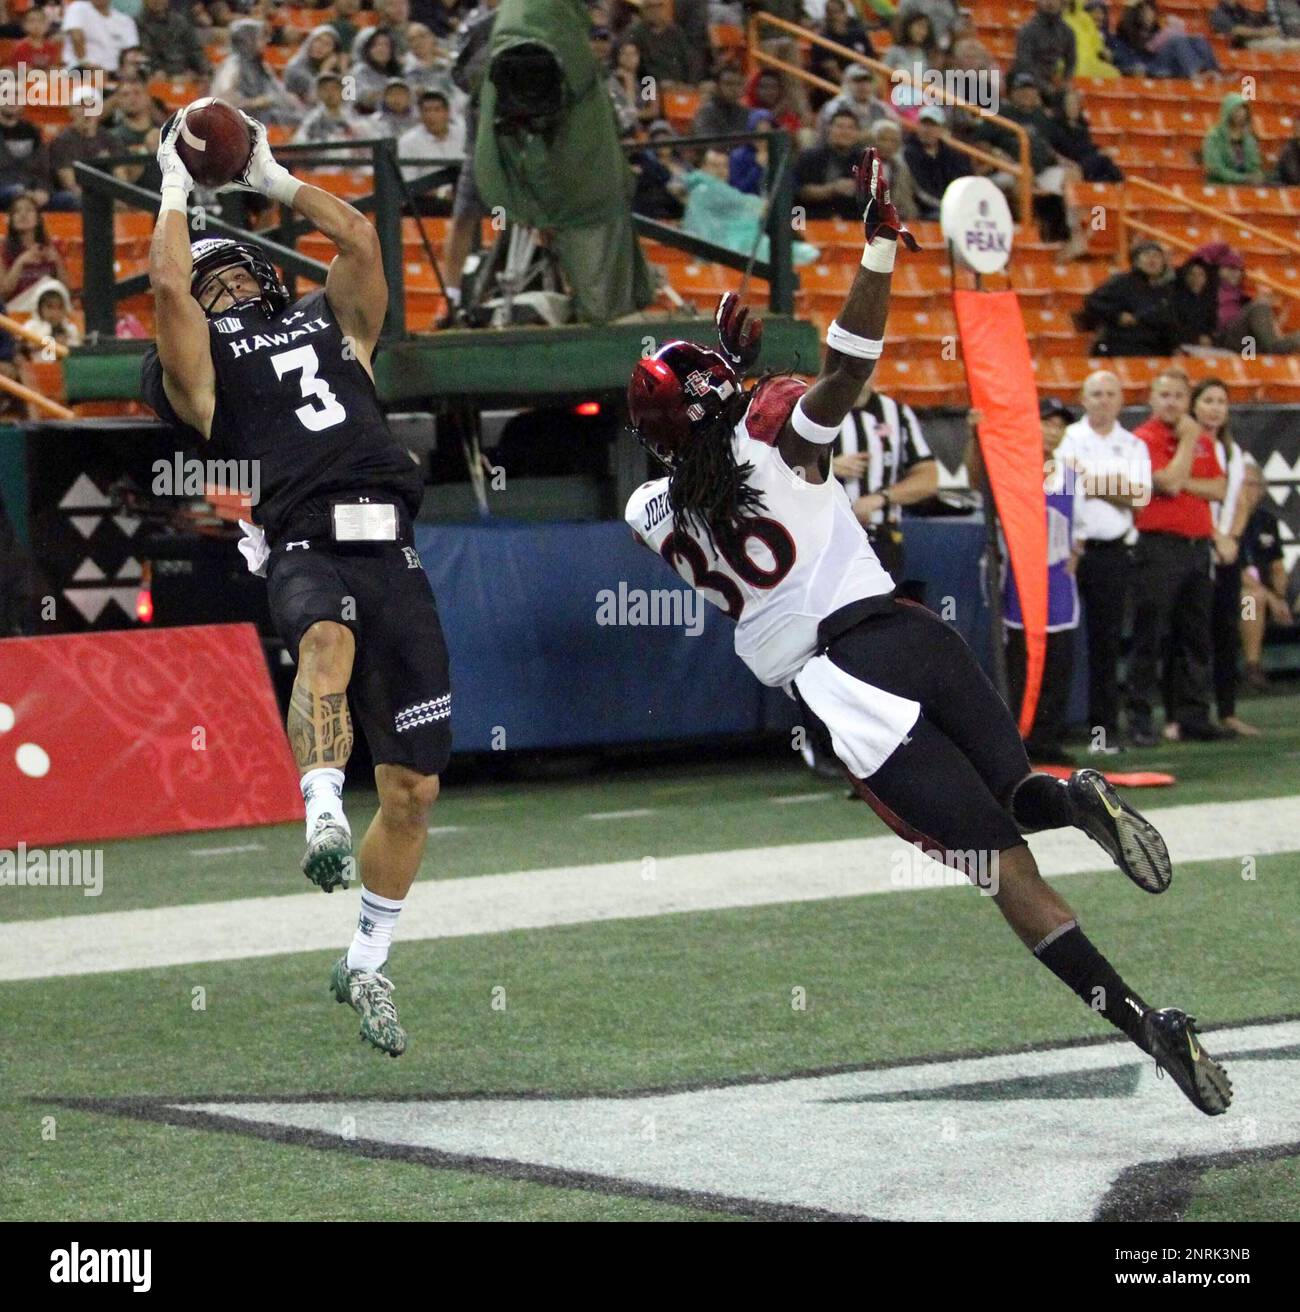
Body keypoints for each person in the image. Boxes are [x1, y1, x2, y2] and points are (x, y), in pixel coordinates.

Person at [622, 147, 1231, 1117]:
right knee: (1017, 787)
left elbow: (704, 456)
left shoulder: (649, 509)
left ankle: (1146, 1023)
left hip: (843, 688)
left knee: (1003, 872)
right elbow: (843, 370)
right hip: (908, 630)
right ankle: (1074, 796)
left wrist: (723, 382)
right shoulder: (771, 432)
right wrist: (872, 257)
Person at [141, 110, 452, 1058]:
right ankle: (319, 808)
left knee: (413, 793)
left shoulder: (333, 324)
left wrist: (274, 181)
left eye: (234, 263)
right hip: (305, 537)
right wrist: (173, 190)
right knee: (324, 646)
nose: (219, 272)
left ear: (271, 271)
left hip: (392, 546)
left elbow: (357, 237)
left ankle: (366, 959)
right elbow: (165, 281)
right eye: (209, 272)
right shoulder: (199, 377)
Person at [971, 398, 1084, 765]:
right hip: (1019, 581)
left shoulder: (1069, 473)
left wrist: (1077, 551)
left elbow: (1078, 524)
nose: (1052, 430)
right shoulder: (1010, 469)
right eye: (1045, 422)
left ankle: (1047, 739)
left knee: (1057, 660)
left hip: (1057, 583)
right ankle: (1015, 739)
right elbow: (977, 481)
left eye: (1058, 424)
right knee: (1018, 661)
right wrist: (975, 435)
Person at [1127, 371, 1229, 746]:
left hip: (1197, 547)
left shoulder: (1204, 441)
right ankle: (1139, 717)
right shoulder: (1142, 438)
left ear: (1187, 401)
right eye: (1165, 395)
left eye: (1178, 396)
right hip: (1159, 546)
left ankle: (1194, 716)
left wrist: (1179, 477)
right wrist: (1187, 441)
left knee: (1196, 635)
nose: (1171, 402)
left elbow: (1218, 488)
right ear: (1152, 400)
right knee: (1149, 635)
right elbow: (1166, 483)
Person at [1058, 370, 1151, 754]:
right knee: (1059, 641)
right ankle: (1049, 729)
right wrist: (1114, 487)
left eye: (1111, 393)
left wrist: (1091, 482)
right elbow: (1062, 486)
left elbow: (1140, 496)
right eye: (1095, 393)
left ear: (1121, 400)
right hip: (1066, 552)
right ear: (1083, 398)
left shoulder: (1132, 444)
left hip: (1111, 552)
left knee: (1106, 643)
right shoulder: (1067, 439)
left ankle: (1104, 731)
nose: (1103, 400)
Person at [1180, 379, 1258, 738]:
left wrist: (1232, 538)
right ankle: (1179, 714)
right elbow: (1184, 491)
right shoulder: (1185, 446)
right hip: (1194, 545)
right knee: (1189, 631)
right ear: (1194, 406)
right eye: (1207, 400)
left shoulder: (1234, 452)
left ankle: (1227, 711)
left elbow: (1239, 500)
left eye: (1220, 402)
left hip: (1227, 549)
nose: (1214, 408)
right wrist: (1214, 535)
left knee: (1227, 628)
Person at [832, 379, 937, 584]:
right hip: (828, 539)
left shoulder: (896, 413)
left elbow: (928, 479)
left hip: (881, 540)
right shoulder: (814, 409)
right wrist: (828, 467)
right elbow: (787, 474)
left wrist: (880, 498)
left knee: (879, 611)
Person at [1239, 464, 1294, 694]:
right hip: (1233, 592)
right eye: (1245, 484)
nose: (1250, 490)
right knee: (1252, 599)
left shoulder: (1266, 521)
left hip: (1269, 592)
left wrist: (1281, 596)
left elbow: (1277, 566)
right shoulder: (1225, 518)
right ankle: (1252, 666)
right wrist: (1271, 597)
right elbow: (1235, 569)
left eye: (1255, 485)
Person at [1195, 241, 1300, 355]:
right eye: (1230, 268)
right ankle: (1279, 348)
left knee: (1261, 310)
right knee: (1260, 306)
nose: (1236, 273)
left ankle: (1277, 352)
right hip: (1220, 340)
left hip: (1246, 346)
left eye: (1239, 270)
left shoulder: (1241, 294)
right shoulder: (1206, 288)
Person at [1083, 241, 1178, 357]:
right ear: (1136, 260)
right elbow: (1092, 302)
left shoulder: (1166, 290)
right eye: (1147, 255)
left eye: (1156, 256)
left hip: (1155, 350)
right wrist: (1118, 315)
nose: (1152, 260)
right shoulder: (1121, 282)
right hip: (1122, 345)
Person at [210, 19, 301, 126]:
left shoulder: (261, 65)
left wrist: (289, 100)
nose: (267, 41)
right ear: (247, 40)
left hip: (260, 118)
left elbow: (278, 91)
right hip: (234, 123)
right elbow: (221, 101)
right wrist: (255, 102)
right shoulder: (232, 66)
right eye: (261, 37)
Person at [1, 193, 72, 314]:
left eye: (29, 210)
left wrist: (57, 261)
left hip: (50, 310)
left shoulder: (51, 247)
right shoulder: (3, 248)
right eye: (17, 211)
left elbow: (66, 290)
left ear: (38, 218)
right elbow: (3, 293)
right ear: (10, 219)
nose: (23, 215)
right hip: (17, 310)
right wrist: (21, 261)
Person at [1114, 1, 1222, 78]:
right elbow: (1126, 56)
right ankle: (1194, 74)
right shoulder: (1125, 31)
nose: (1149, 15)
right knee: (1176, 41)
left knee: (1198, 38)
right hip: (1150, 66)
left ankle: (1214, 72)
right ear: (1136, 14)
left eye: (1151, 11)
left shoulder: (1157, 29)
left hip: (1171, 64)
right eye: (1145, 12)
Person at [399, 90, 466, 210]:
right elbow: (408, 184)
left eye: (437, 110)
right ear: (420, 114)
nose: (431, 116)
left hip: (464, 194)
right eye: (426, 111)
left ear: (447, 112)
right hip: (428, 200)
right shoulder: (408, 142)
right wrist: (442, 193)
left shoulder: (464, 135)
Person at [795, 108, 865, 221]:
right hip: (813, 222)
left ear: (857, 133)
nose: (845, 132)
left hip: (853, 225)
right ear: (829, 129)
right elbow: (800, 192)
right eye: (839, 126)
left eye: (850, 128)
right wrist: (833, 189)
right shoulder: (809, 157)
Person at [903, 105, 970, 218]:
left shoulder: (951, 154)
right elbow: (918, 190)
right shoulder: (908, 153)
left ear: (942, 129)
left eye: (933, 125)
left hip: (949, 206)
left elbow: (962, 180)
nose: (927, 130)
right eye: (924, 124)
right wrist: (944, 206)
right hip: (923, 210)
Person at [1013, 0, 1077, 102]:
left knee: (1072, 101)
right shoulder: (1027, 30)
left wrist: (1066, 81)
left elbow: (1071, 60)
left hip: (1050, 83)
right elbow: (1024, 65)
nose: (1050, 3)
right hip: (1027, 82)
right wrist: (1045, 87)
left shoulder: (1067, 32)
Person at [627, 0, 697, 87]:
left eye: (659, 6)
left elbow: (689, 61)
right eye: (650, 7)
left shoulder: (676, 33)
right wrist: (658, 83)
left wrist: (687, 84)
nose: (655, 11)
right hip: (649, 87)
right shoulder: (637, 34)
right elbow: (638, 69)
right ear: (644, 10)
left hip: (678, 86)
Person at [816, 64, 893, 142]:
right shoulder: (835, 106)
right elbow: (828, 136)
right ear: (847, 83)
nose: (863, 86)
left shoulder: (881, 107)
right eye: (857, 81)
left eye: (867, 81)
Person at [137, 0, 211, 80]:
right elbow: (147, 54)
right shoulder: (140, 23)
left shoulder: (181, 21)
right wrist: (170, 74)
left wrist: (204, 71)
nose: (158, 1)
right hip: (160, 73)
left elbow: (195, 50)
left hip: (187, 72)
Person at [1202, 93, 1265, 186]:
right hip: (1221, 186)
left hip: (1247, 186)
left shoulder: (1249, 138)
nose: (1241, 113)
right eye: (1237, 109)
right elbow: (1215, 169)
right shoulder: (1214, 136)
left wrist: (1257, 176)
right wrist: (1243, 179)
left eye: (1244, 109)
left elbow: (1255, 165)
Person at [61, 0, 139, 73]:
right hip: (81, 70)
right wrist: (85, 63)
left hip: (113, 73)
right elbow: (76, 37)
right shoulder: (78, 8)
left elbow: (131, 52)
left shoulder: (126, 21)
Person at [0, 105, 52, 209]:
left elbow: (43, 169)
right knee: (15, 191)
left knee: (70, 200)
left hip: (31, 192)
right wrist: (21, 192)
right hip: (5, 190)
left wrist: (43, 190)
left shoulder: (32, 131)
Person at [283, 24, 346, 108]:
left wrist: (344, 71)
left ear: (333, 51)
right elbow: (313, 100)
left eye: (327, 44)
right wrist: (324, 71)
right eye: (317, 41)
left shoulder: (333, 66)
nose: (320, 46)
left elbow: (349, 98)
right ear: (309, 42)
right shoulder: (296, 66)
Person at [691, 64, 751, 139]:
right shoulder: (706, 112)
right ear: (717, 86)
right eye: (729, 84)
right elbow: (707, 143)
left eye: (738, 84)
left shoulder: (744, 112)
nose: (734, 89)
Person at [1064, 0, 1120, 77]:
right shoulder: (1056, 19)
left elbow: (1097, 43)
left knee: (1113, 74)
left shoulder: (1085, 18)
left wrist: (1103, 50)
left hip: (1090, 63)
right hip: (1067, 65)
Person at [24, 279, 83, 350]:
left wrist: (66, 344)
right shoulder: (30, 327)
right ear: (39, 308)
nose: (55, 312)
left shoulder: (70, 329)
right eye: (49, 307)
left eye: (60, 307)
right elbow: (26, 346)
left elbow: (77, 349)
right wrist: (52, 343)